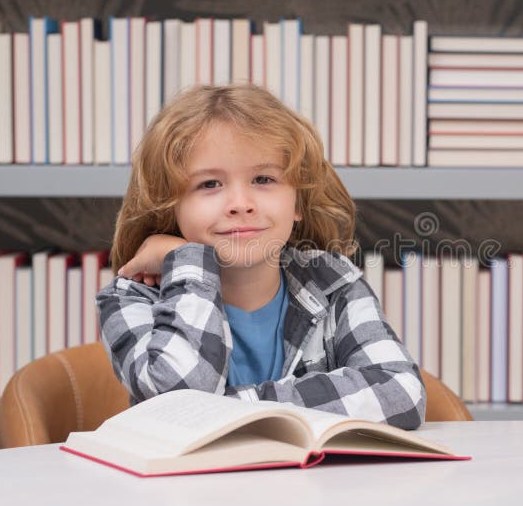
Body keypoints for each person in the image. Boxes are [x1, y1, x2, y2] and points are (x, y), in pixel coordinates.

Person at [97, 84, 425, 430]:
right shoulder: (130, 299)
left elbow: (400, 393)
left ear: (298, 202)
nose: (241, 203)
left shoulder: (334, 285)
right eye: (209, 184)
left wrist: (230, 410)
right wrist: (186, 260)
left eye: (263, 178)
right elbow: (178, 400)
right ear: (168, 207)